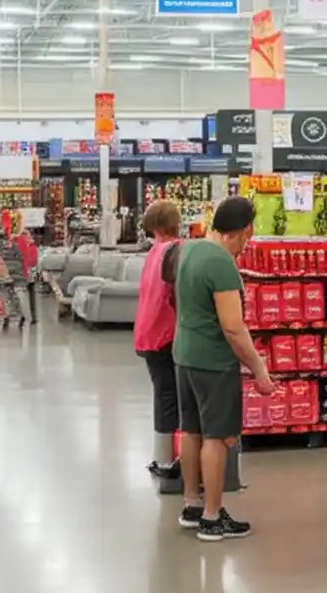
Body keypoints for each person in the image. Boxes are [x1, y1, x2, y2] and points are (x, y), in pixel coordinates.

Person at [171, 196, 273, 541]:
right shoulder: (222, 263)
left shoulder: (191, 248)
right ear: (244, 230)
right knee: (216, 437)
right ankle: (212, 518)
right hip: (213, 361)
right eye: (248, 237)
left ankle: (192, 505)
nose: (247, 245)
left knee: (191, 430)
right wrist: (259, 369)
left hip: (184, 354)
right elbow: (233, 327)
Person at [133, 201, 183, 479]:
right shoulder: (175, 251)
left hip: (147, 332)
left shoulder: (154, 251)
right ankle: (168, 459)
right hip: (167, 333)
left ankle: (161, 454)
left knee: (162, 394)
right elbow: (179, 294)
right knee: (172, 397)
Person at [12, 228, 39, 326]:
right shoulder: (32, 246)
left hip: (21, 274)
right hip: (29, 274)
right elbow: (34, 261)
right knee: (30, 295)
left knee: (19, 294)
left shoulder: (17, 245)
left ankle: (22, 315)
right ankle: (33, 316)